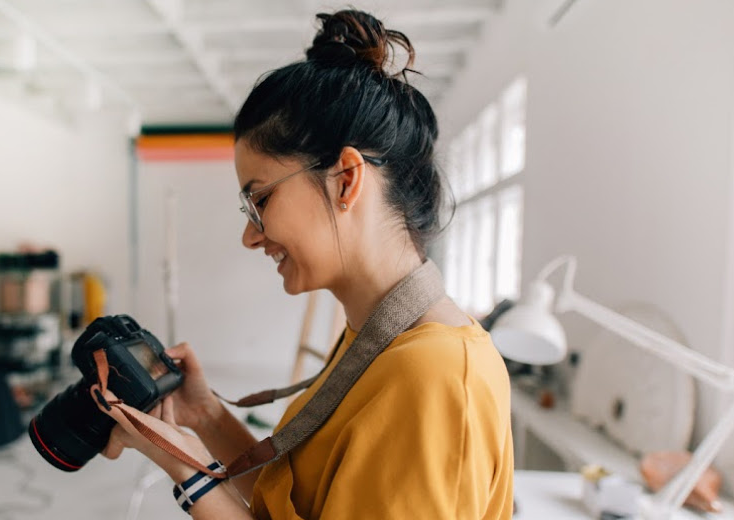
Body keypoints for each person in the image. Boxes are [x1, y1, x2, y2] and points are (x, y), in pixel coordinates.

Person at [93, 9, 514, 519]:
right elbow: (296, 502)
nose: (251, 236)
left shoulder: (434, 374)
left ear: (345, 180)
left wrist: (183, 467)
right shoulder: (380, 340)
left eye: (260, 200)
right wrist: (204, 417)